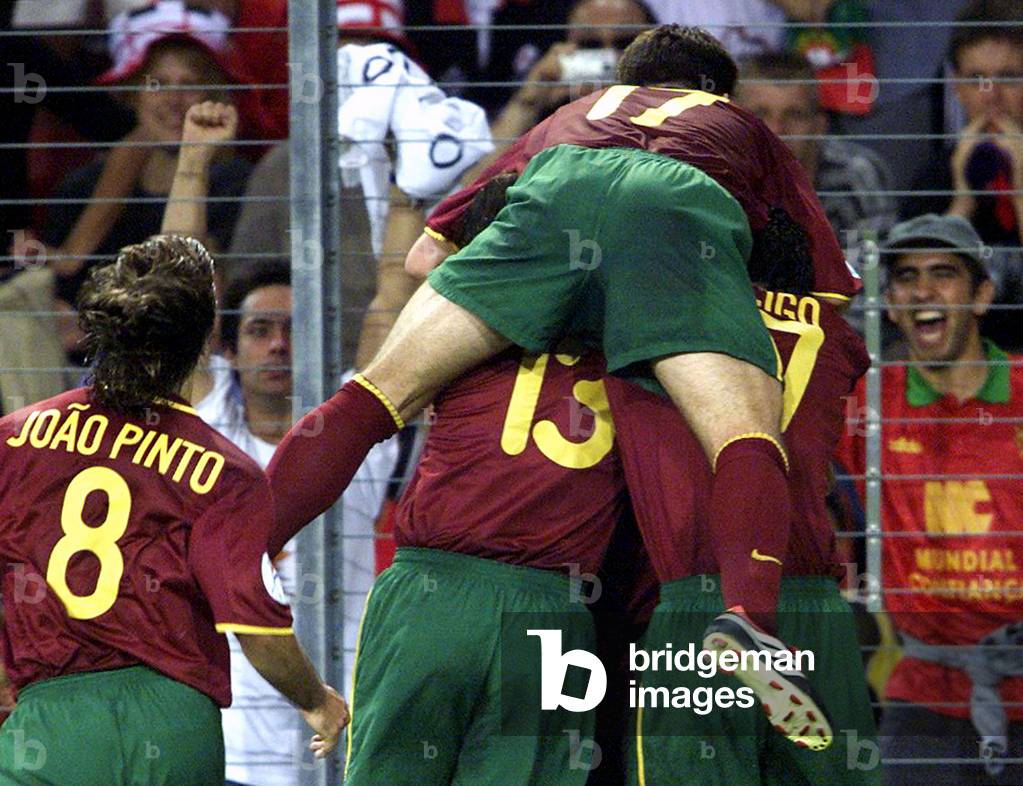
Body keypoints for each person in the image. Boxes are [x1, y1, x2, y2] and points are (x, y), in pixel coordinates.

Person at [267, 24, 860, 750]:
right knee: (741, 433)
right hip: (675, 207)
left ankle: (244, 543)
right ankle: (747, 620)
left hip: (558, 189)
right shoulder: (735, 126)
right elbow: (826, 289)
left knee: (376, 396)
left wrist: (555, 299)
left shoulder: (574, 115)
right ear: (715, 92)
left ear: (625, 78)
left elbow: (425, 255)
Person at [0, 235, 347, 785]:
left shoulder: (15, 438)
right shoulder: (223, 469)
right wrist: (316, 700)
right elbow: (256, 626)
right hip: (172, 720)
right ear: (206, 340)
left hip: (51, 723)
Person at [837, 214, 1023, 785]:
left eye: (944, 273)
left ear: (983, 295)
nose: (923, 290)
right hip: (921, 696)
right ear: (889, 305)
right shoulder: (865, 405)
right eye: (906, 277)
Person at [904, 0, 1023, 349]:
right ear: (955, 85)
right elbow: (917, 296)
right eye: (976, 79)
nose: (992, 97)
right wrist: (962, 202)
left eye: (1009, 78)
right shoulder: (935, 177)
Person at [735, 52, 897, 243]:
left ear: (820, 125)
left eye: (794, 115)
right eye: (760, 114)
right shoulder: (710, 178)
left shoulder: (858, 175)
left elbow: (871, 271)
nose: (776, 130)